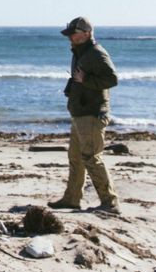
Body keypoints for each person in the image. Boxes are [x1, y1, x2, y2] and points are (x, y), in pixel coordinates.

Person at [48, 16, 121, 214]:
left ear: (87, 33)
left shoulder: (96, 53)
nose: (70, 37)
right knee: (76, 156)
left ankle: (110, 202)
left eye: (74, 34)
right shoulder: (81, 52)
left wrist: (86, 79)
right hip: (80, 112)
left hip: (92, 113)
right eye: (69, 34)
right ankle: (72, 198)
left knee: (91, 157)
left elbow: (112, 78)